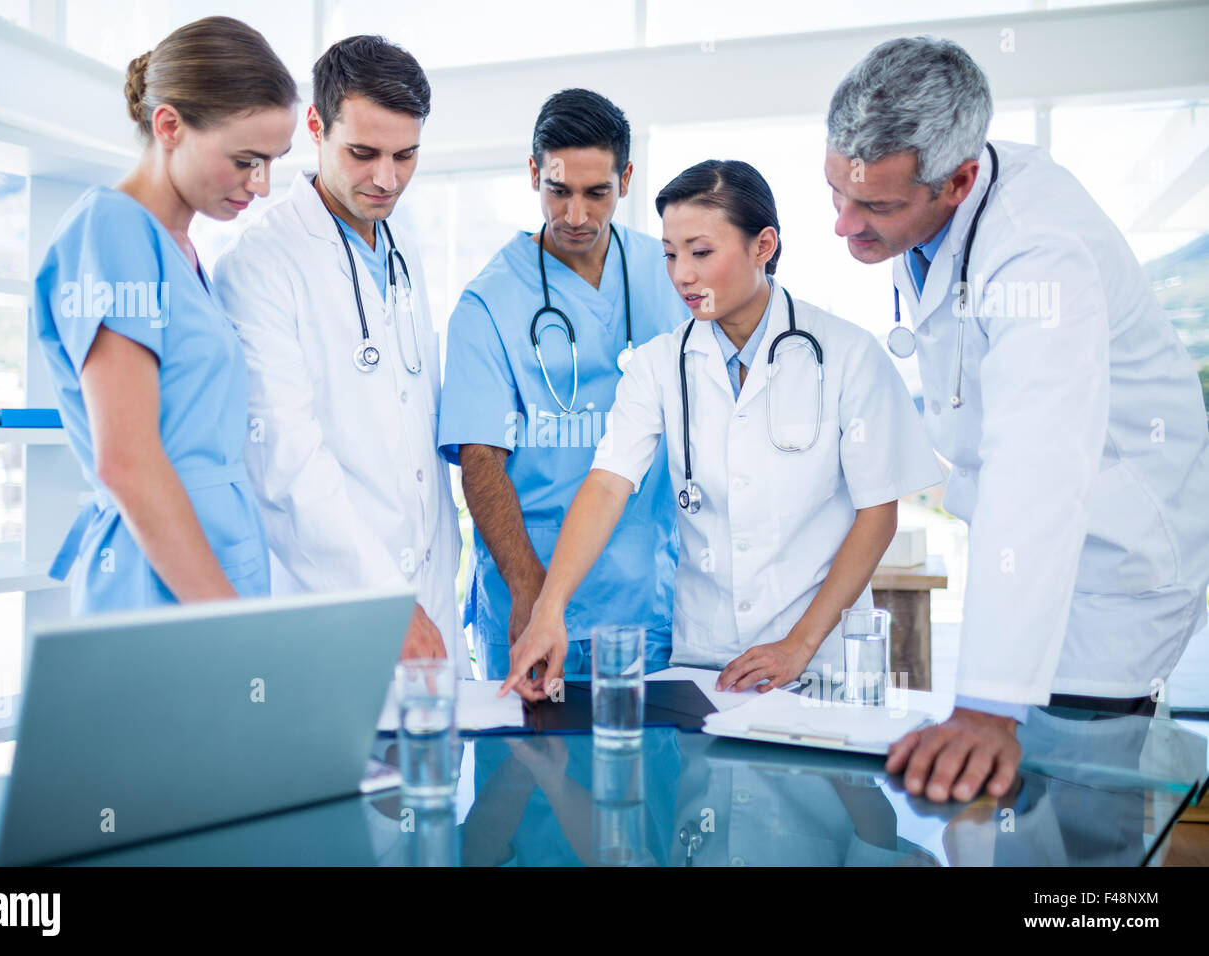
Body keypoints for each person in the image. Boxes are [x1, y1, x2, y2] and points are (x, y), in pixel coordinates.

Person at [824, 36, 1209, 803]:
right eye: (837, 192)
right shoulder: (937, 198)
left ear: (960, 180)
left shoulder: (1040, 249)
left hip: (1114, 562)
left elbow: (1038, 468)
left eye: (877, 206)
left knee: (1074, 808)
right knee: (1021, 807)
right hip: (1042, 557)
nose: (845, 226)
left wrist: (986, 705)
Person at [503, 160, 943, 700]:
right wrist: (549, 609)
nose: (682, 274)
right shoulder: (658, 364)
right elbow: (607, 484)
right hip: (705, 665)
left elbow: (878, 514)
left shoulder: (848, 355)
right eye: (670, 254)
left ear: (763, 245)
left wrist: (798, 645)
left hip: (818, 666)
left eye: (701, 251)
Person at [214, 35, 464, 669]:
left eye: (406, 155)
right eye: (363, 153)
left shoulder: (405, 252)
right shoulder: (261, 267)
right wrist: (383, 599)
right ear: (316, 126)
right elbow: (285, 464)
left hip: (431, 603)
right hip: (335, 613)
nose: (387, 179)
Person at [33, 17, 298, 613]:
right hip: (160, 581)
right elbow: (127, 459)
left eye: (272, 161)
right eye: (245, 160)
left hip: (215, 564)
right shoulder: (112, 230)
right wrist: (225, 618)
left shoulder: (184, 253)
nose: (261, 185)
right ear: (169, 125)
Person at [437, 89, 686, 679]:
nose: (576, 215)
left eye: (597, 193)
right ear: (533, 174)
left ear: (626, 178)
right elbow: (480, 461)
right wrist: (531, 594)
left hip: (646, 597)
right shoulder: (488, 302)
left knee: (647, 768)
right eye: (559, 190)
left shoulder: (671, 272)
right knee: (526, 766)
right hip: (530, 586)